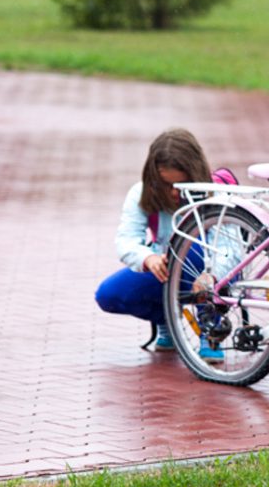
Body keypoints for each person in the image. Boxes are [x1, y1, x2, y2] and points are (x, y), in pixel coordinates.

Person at [95, 128, 224, 362]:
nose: (174, 192)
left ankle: (211, 328)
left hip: (212, 269)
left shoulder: (217, 191)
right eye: (166, 184)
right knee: (108, 294)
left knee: (189, 247)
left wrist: (214, 274)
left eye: (182, 184)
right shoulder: (141, 193)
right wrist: (147, 258)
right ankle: (167, 319)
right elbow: (126, 239)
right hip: (167, 268)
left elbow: (231, 248)